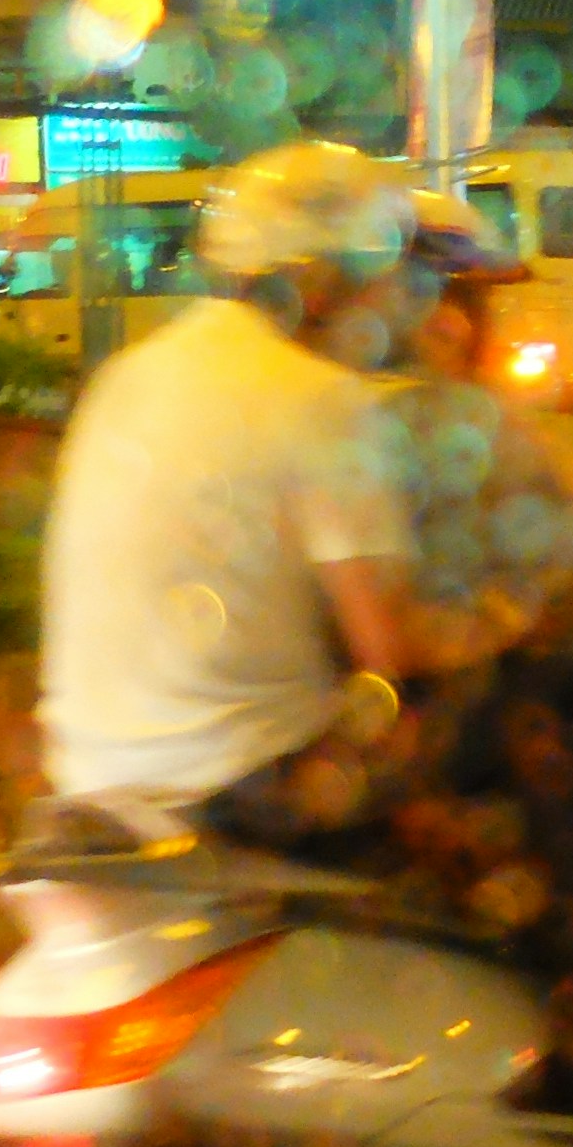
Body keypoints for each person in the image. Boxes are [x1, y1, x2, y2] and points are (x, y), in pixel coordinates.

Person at [37, 144, 523, 838]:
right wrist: (509, 619)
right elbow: (389, 645)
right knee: (491, 742)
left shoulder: (123, 377)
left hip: (88, 780)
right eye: (376, 279)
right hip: (239, 787)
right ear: (320, 283)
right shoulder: (321, 397)